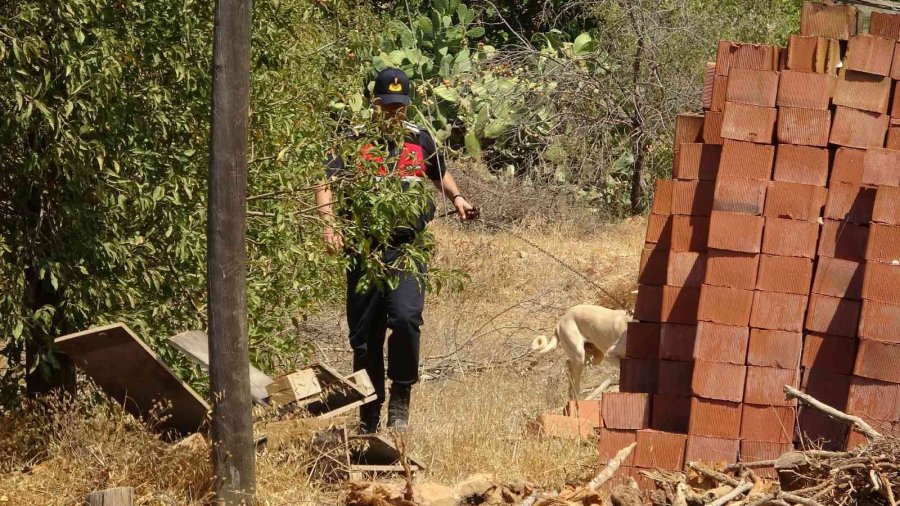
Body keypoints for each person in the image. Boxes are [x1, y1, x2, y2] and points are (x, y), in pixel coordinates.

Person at [315, 68, 475, 433]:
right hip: (364, 249)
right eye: (387, 106)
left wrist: (458, 197)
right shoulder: (354, 139)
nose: (393, 113)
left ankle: (400, 396)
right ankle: (370, 409)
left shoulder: (420, 138)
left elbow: (439, 173)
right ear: (374, 104)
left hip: (406, 249)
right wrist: (329, 225)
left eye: (399, 107)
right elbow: (324, 180)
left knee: (405, 320)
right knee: (365, 334)